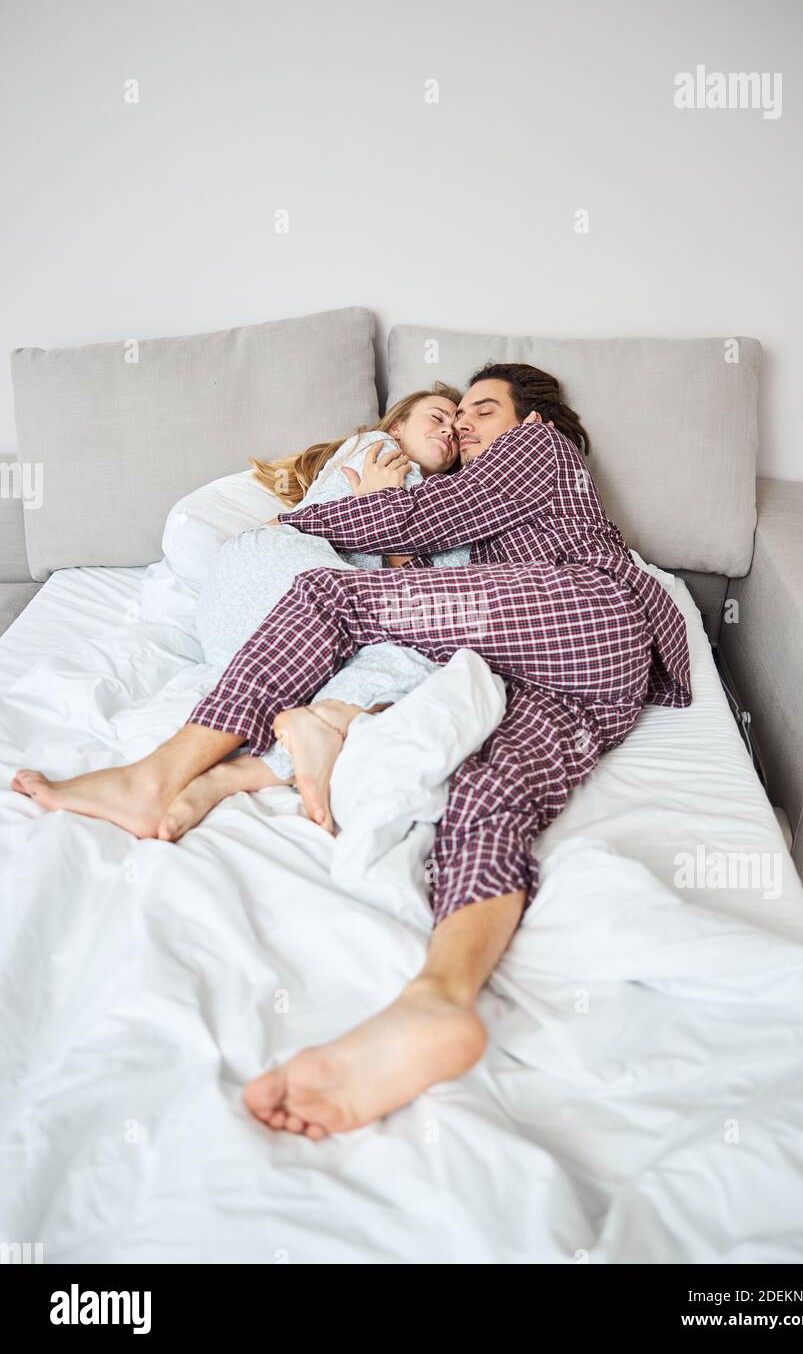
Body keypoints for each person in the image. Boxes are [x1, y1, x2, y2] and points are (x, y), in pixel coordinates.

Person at [13, 363, 692, 1141]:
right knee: (485, 795)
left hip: (585, 612)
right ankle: (439, 999)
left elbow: (430, 514)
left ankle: (152, 776)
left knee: (326, 594)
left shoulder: (539, 454)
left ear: (532, 422)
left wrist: (297, 527)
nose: (465, 425)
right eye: (458, 413)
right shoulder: (489, 514)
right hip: (581, 681)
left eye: (482, 409)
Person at [162, 386, 470, 838]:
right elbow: (424, 581)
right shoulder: (381, 451)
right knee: (430, 649)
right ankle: (229, 769)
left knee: (418, 662)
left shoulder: (441, 494)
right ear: (399, 424)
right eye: (437, 417)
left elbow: (419, 578)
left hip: (243, 631)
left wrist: (381, 518)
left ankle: (237, 773)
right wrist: (379, 508)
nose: (448, 431)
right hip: (279, 574)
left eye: (455, 430)